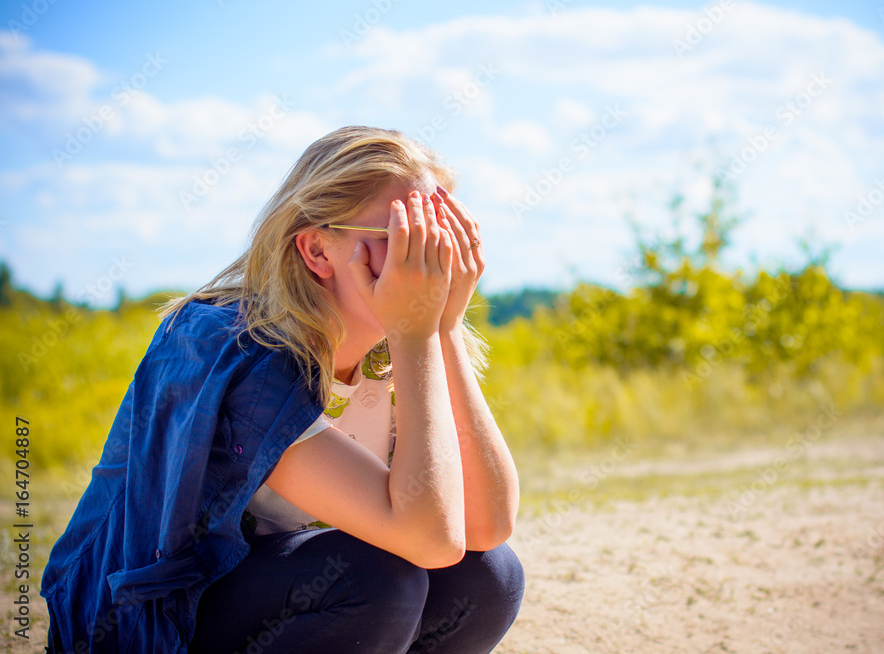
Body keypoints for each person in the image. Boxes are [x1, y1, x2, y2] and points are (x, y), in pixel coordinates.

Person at [40, 126, 524, 653]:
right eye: (403, 236)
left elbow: (485, 527)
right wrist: (415, 330)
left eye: (439, 235)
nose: (428, 259)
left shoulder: (400, 351)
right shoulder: (242, 357)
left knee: (489, 578)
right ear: (317, 250)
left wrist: (443, 328)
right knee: (376, 581)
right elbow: (429, 538)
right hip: (154, 620)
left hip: (272, 592)